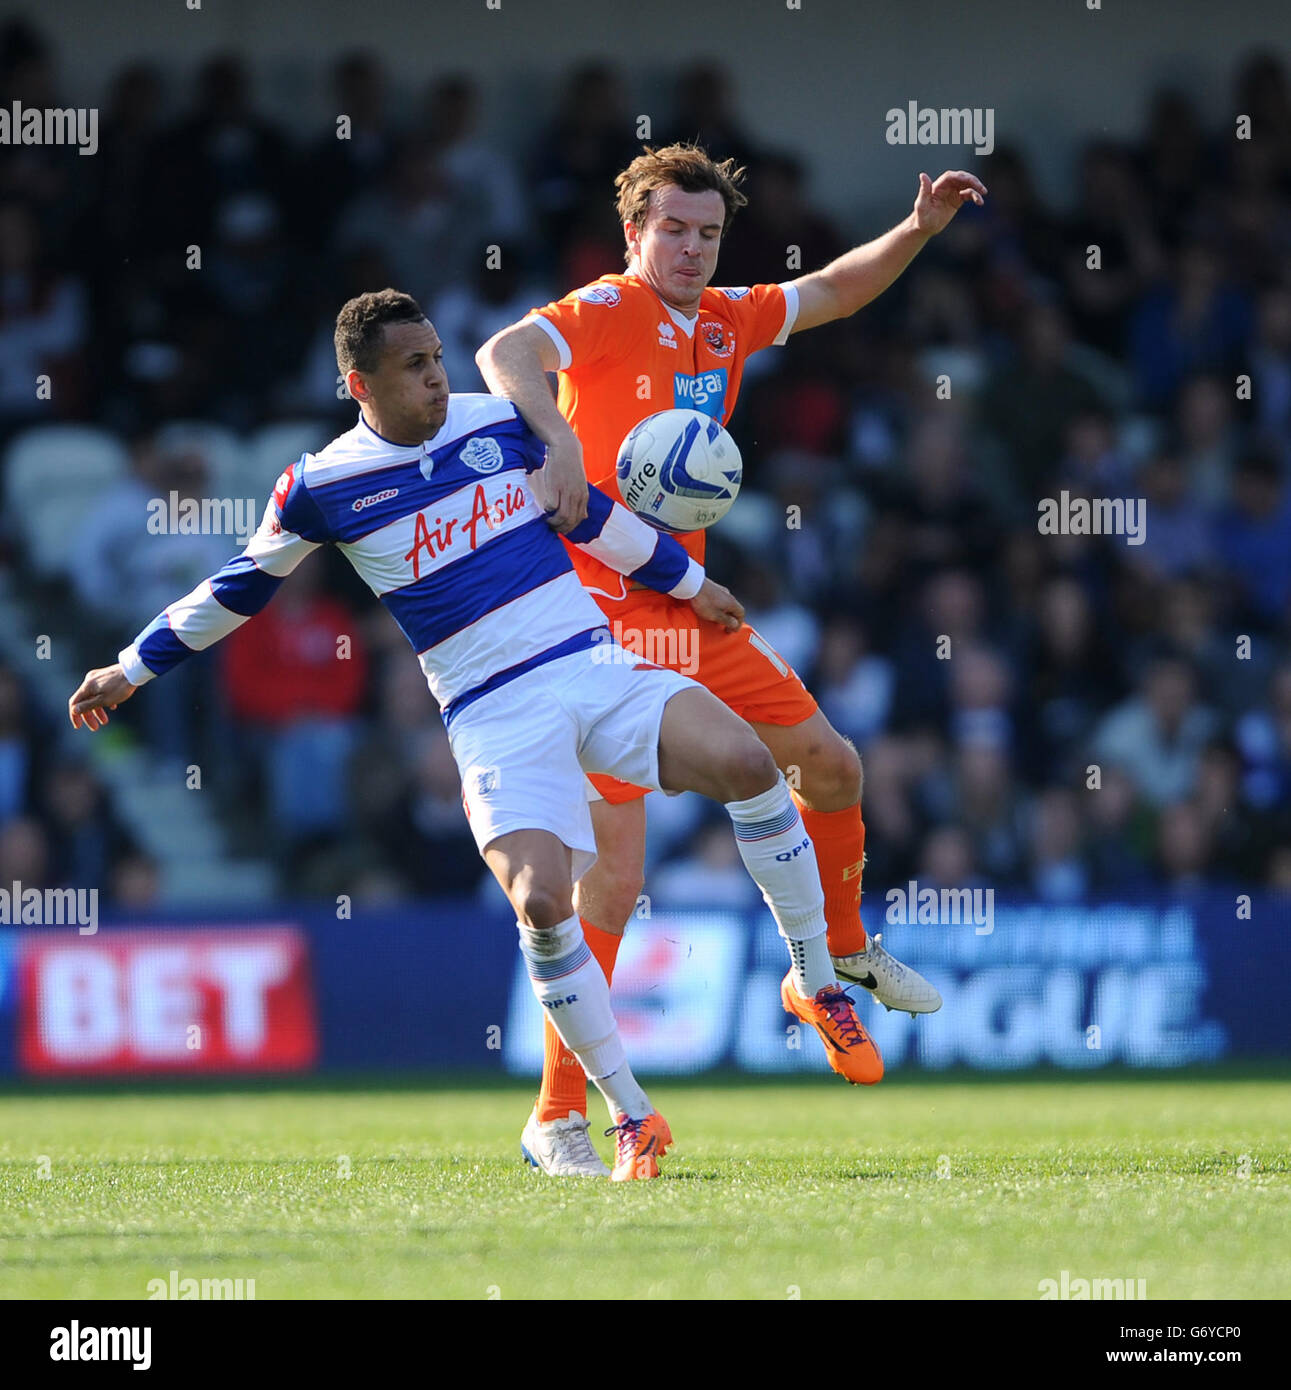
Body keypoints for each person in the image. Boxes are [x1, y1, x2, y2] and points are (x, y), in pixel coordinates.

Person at [68, 289, 881, 1182]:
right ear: (357, 383)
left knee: (748, 762)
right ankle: (629, 1114)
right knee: (541, 902)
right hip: (491, 713)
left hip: (587, 662)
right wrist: (128, 669)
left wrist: (688, 586)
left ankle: (813, 975)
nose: (434, 376)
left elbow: (593, 520)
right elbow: (235, 589)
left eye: (436, 358)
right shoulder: (322, 485)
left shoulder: (498, 423)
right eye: (412, 365)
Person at [477, 142, 984, 1174]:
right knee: (611, 882)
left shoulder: (723, 321)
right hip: (597, 628)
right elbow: (502, 354)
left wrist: (918, 231)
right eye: (674, 229)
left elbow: (835, 291)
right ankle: (557, 1116)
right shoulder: (606, 312)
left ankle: (834, 958)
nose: (693, 248)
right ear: (634, 233)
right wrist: (555, 439)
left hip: (695, 612)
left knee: (833, 765)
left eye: (708, 233)